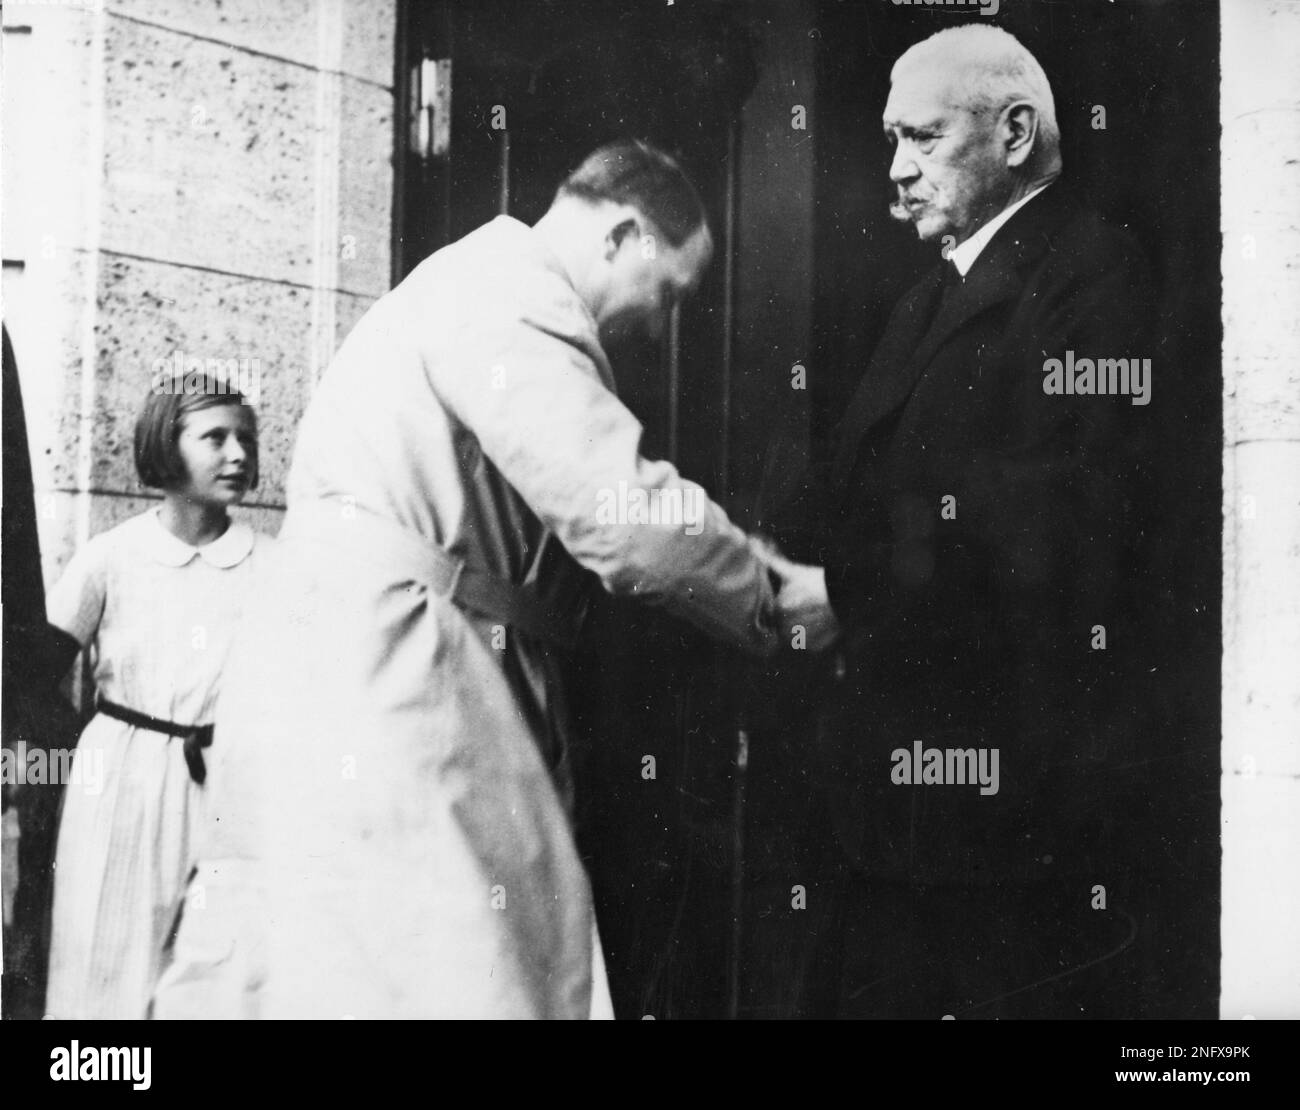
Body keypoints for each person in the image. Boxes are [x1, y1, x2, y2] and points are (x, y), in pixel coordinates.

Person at [154, 140, 791, 1020]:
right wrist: (769, 595)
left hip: (347, 663)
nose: (661, 323)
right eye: (670, 292)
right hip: (401, 675)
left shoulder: (462, 280)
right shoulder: (515, 293)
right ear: (623, 234)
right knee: (441, 975)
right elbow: (627, 523)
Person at [769, 24, 1157, 1017]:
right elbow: (866, 490)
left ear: (1014, 133)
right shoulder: (922, 302)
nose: (894, 173)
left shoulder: (1095, 275)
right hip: (893, 799)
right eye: (890, 141)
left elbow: (1058, 509)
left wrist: (846, 591)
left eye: (922, 139)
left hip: (1004, 809)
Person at [42, 374, 267, 1019]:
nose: (238, 454)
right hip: (121, 781)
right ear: (166, 446)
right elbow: (35, 673)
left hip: (231, 786)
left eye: (246, 439)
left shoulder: (272, 565)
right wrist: (80, 755)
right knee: (105, 958)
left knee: (219, 966)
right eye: (215, 438)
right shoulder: (112, 557)